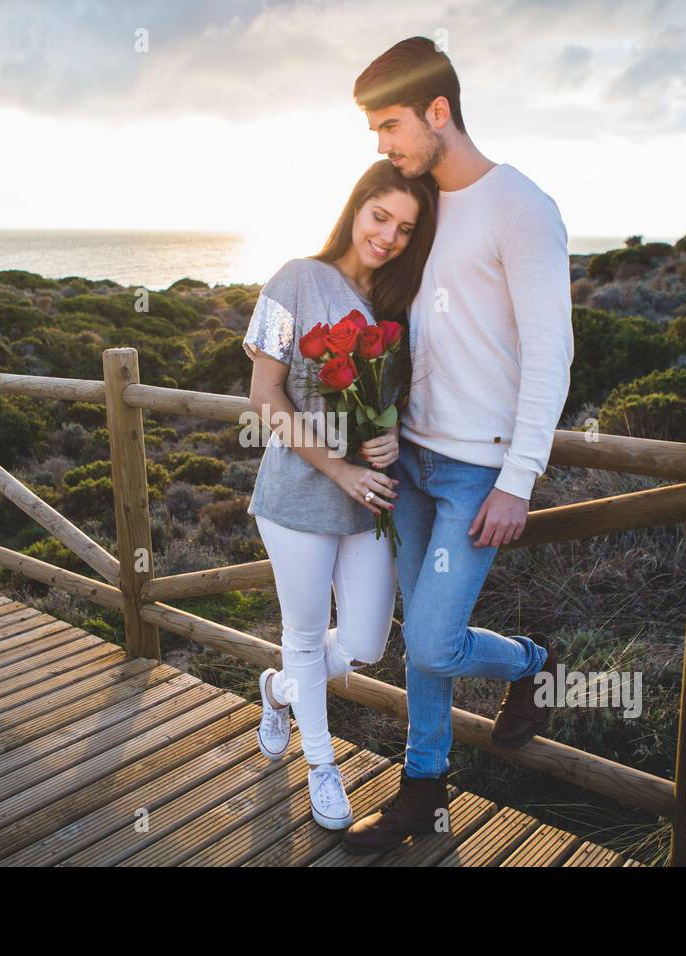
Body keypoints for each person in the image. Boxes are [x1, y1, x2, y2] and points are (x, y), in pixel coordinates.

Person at [341, 38, 575, 854]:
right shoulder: (423, 208)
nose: (383, 146)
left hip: (479, 470)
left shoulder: (522, 205)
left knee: (436, 640)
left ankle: (532, 660)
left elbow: (551, 353)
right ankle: (422, 788)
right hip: (410, 461)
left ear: (439, 112)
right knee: (420, 645)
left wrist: (520, 478)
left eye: (391, 125)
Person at [242, 158, 438, 830]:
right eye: (380, 216)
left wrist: (388, 440)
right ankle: (321, 765)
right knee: (302, 633)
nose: (387, 235)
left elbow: (390, 404)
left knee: (367, 642)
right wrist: (340, 467)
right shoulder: (296, 278)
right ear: (356, 208)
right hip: (299, 493)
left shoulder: (396, 307)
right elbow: (264, 395)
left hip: (368, 500)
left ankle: (277, 689)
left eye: (405, 228)